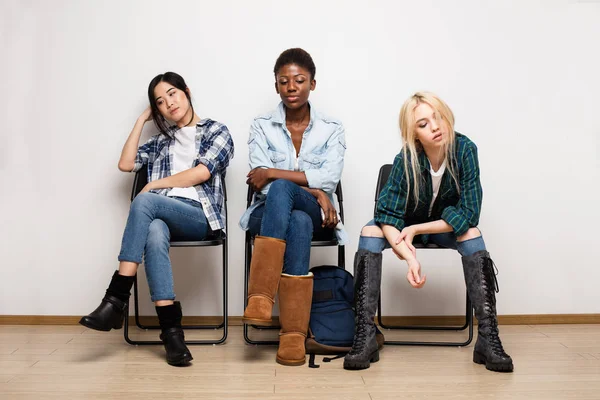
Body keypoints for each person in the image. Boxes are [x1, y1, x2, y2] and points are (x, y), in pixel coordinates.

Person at [343, 92, 513, 373]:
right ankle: (364, 334)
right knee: (368, 232)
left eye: (438, 116)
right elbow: (385, 214)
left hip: (441, 228)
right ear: (414, 135)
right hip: (404, 230)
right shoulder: (406, 159)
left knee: (472, 233)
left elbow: (469, 212)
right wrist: (409, 257)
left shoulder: (465, 150)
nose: (435, 126)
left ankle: (488, 338)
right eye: (423, 123)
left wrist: (417, 228)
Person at [79, 72, 234, 366]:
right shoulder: (162, 141)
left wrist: (154, 186)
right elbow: (126, 164)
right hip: (161, 214)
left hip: (199, 216)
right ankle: (172, 334)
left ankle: (115, 300)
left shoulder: (217, 130)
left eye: (173, 94)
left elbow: (201, 173)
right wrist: (140, 121)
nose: (169, 103)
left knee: (146, 199)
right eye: (160, 102)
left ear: (187, 91)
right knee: (153, 231)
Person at [239, 48, 347, 366]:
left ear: (312, 84)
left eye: (299, 80)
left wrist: (275, 172)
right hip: (267, 211)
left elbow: (330, 177)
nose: (291, 87)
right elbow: (261, 183)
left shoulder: (331, 127)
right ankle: (294, 336)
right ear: (276, 86)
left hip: (320, 214)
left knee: (288, 194)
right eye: (284, 81)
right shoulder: (261, 126)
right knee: (296, 220)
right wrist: (315, 190)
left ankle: (260, 297)